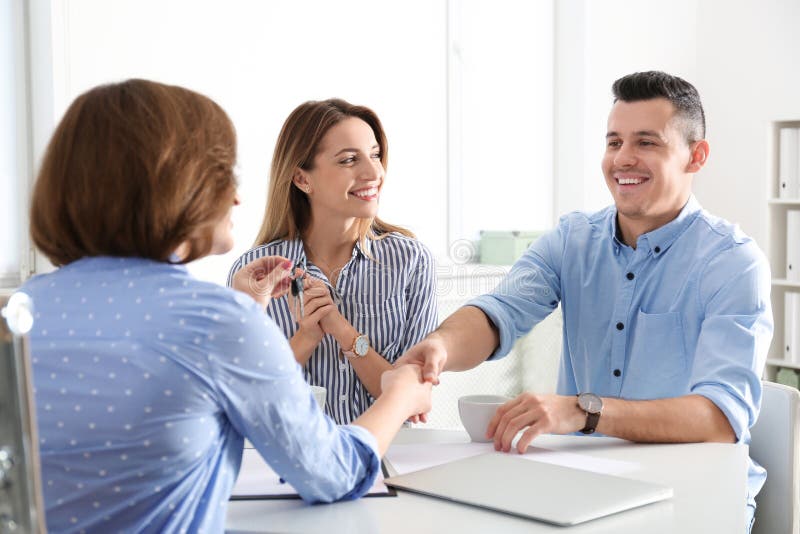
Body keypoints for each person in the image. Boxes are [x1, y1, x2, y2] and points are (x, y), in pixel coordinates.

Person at [22, 79, 432, 533]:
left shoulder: (21, 311)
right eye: (222, 174)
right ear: (173, 185)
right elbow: (333, 473)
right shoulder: (217, 319)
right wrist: (400, 392)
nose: (236, 196)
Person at [395, 71, 772, 531]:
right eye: (614, 142)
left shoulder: (732, 262)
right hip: (586, 490)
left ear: (696, 156)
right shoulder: (573, 239)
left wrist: (582, 410)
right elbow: (501, 310)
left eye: (647, 143)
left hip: (697, 499)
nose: (623, 159)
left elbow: (719, 418)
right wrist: (441, 346)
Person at [227, 99, 438, 424]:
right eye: (349, 160)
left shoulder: (411, 261)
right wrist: (307, 336)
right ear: (302, 179)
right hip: (288, 461)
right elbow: (249, 402)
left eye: (375, 155)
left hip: (388, 459)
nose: (374, 172)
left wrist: (343, 332)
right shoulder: (255, 275)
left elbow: (414, 400)